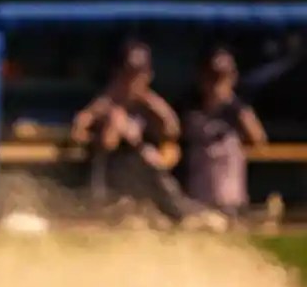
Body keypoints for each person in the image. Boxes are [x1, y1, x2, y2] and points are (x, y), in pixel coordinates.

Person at [69, 40, 226, 230]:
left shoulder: (146, 103)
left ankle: (179, 213)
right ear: (118, 74)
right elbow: (81, 128)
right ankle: (121, 210)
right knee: (131, 141)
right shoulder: (107, 102)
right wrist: (108, 127)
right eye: (128, 74)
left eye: (138, 74)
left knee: (150, 158)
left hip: (143, 173)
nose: (132, 81)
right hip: (109, 170)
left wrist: (148, 100)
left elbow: (172, 128)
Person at [179, 46, 268, 222]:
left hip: (231, 201)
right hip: (198, 199)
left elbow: (258, 138)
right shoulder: (189, 109)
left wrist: (231, 102)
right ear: (202, 77)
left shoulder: (237, 110)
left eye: (223, 77)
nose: (216, 83)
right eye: (212, 76)